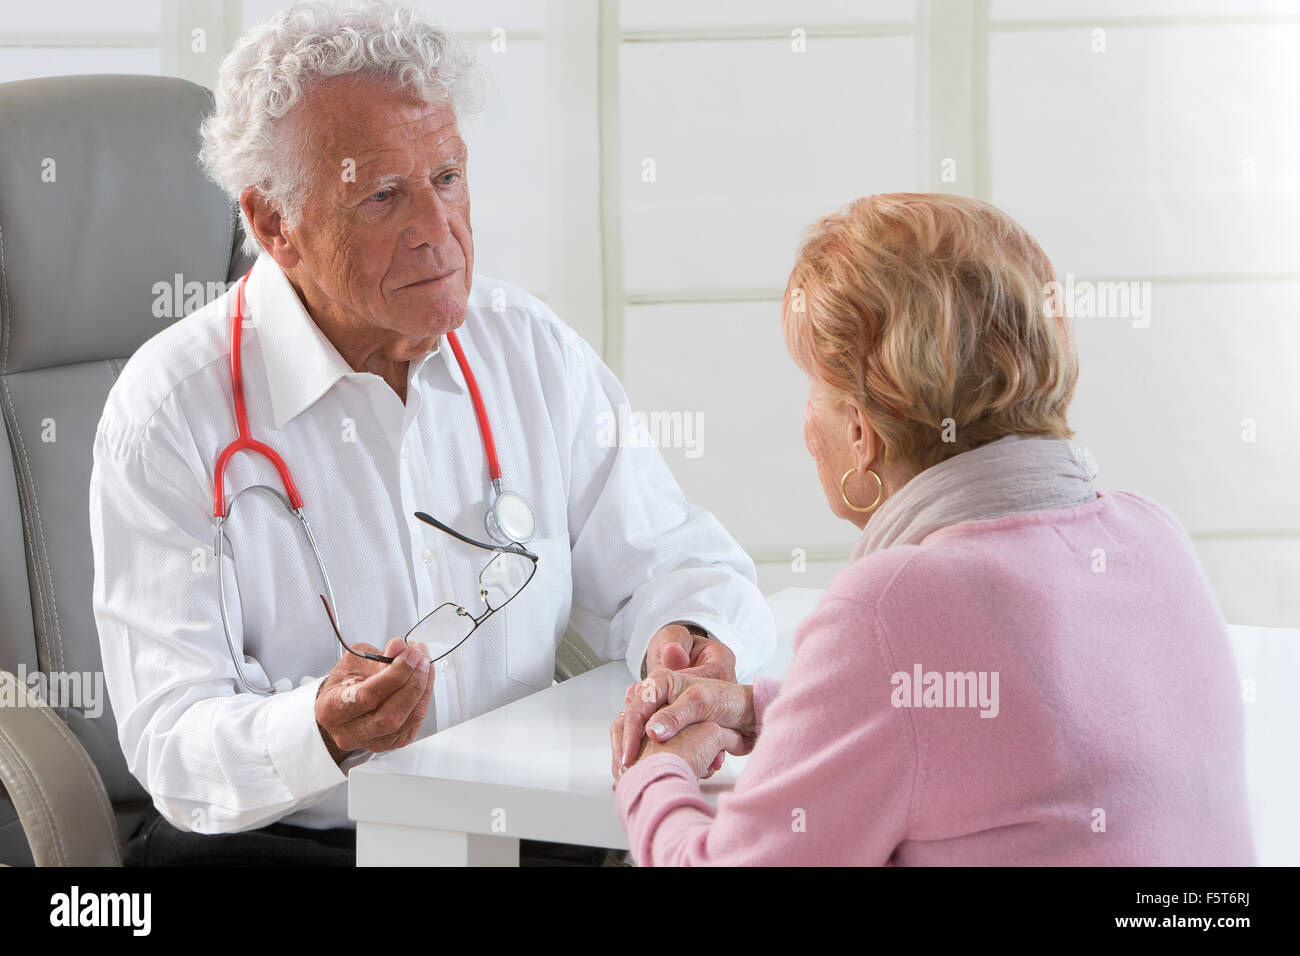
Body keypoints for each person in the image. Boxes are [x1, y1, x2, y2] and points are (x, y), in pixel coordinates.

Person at [89, 0, 774, 864]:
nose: (438, 233)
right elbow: (172, 742)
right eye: (383, 196)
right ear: (273, 225)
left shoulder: (525, 347)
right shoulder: (171, 412)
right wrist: (321, 730)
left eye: (448, 178)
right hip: (294, 843)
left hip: (526, 829)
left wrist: (692, 640)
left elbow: (675, 559)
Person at [610, 192, 1256, 866]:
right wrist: (760, 707)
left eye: (812, 389)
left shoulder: (895, 606)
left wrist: (653, 770)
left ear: (860, 434)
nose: (805, 426)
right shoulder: (1154, 538)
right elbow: (969, 732)